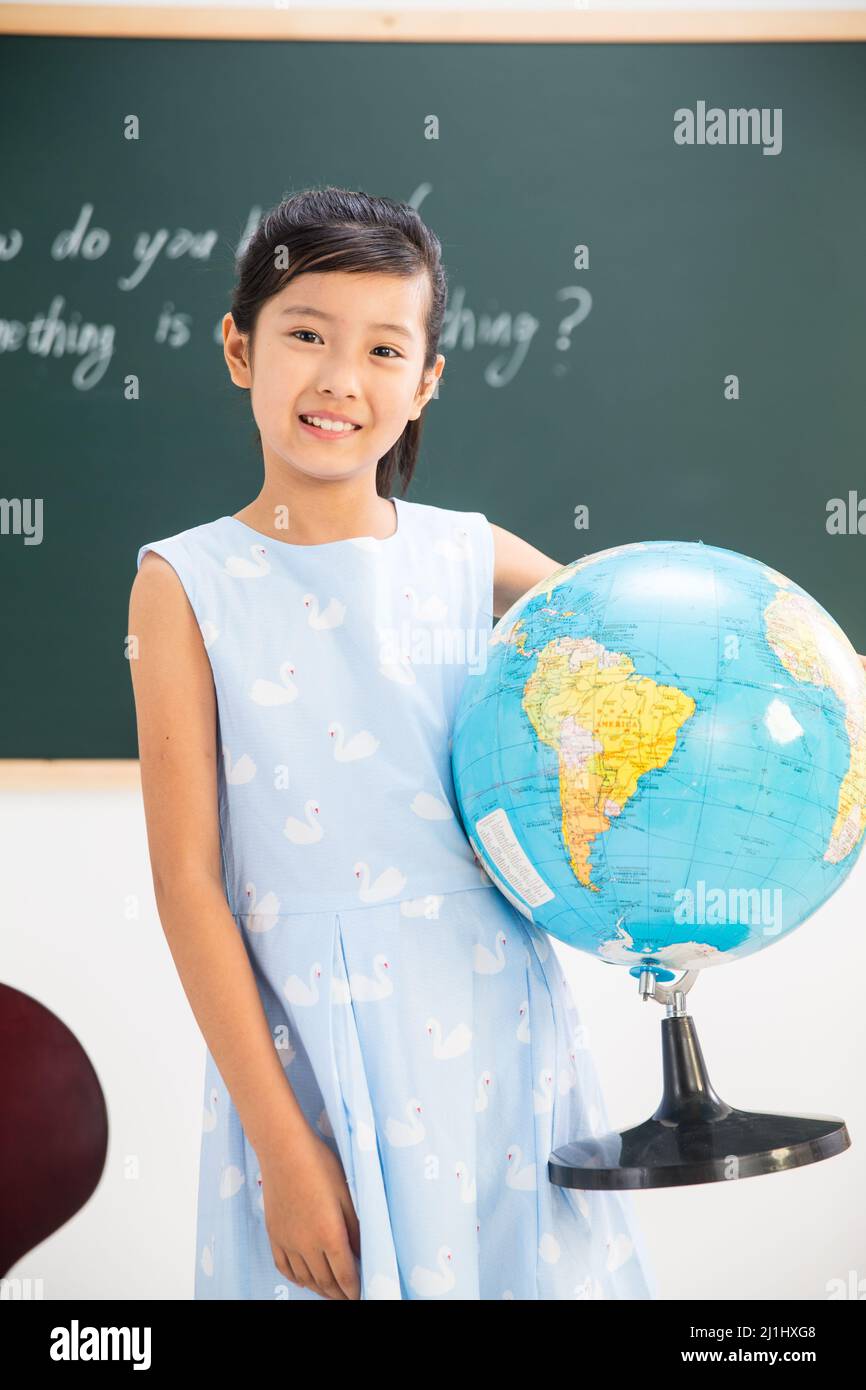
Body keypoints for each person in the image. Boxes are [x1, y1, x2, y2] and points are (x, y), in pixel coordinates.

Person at [128, 186, 659, 1301]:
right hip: (312, 1058)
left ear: (424, 383)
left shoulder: (470, 558)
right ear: (240, 348)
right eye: (305, 335)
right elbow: (186, 884)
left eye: (382, 349)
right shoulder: (185, 582)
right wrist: (281, 1149)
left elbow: (654, 645)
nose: (338, 379)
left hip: (498, 1037)